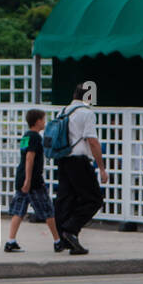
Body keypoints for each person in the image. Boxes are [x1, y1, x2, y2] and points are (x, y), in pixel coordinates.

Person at [54, 82, 109, 254]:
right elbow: (92, 141)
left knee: (66, 198)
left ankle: (62, 238)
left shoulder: (62, 112)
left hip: (63, 160)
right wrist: (101, 167)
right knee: (94, 199)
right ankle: (71, 230)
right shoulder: (87, 114)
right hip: (79, 161)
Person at [4, 110, 67, 254]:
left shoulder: (26, 136)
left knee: (19, 210)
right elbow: (29, 158)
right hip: (33, 181)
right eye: (43, 120)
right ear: (37, 121)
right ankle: (58, 241)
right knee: (48, 210)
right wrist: (28, 179)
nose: (45, 122)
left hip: (22, 178)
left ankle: (10, 241)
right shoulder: (35, 137)